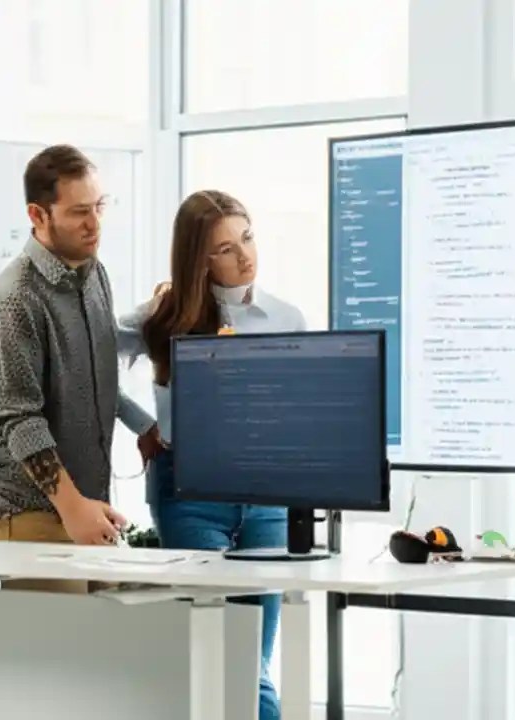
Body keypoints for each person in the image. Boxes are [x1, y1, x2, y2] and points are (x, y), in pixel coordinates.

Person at [119, 189, 306, 720]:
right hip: (189, 493)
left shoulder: (285, 317)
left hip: (266, 495)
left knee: (254, 662)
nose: (244, 256)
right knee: (221, 655)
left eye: (246, 238)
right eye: (225, 248)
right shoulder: (162, 315)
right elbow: (83, 359)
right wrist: (144, 423)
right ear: (199, 258)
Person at [0, 143, 163, 591]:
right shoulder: (12, 302)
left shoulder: (94, 275)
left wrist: (145, 426)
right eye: (79, 212)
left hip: (86, 508)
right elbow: (19, 421)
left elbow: (93, 380)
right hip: (31, 514)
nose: (94, 224)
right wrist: (73, 508)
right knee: (53, 660)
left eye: (99, 206)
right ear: (38, 215)